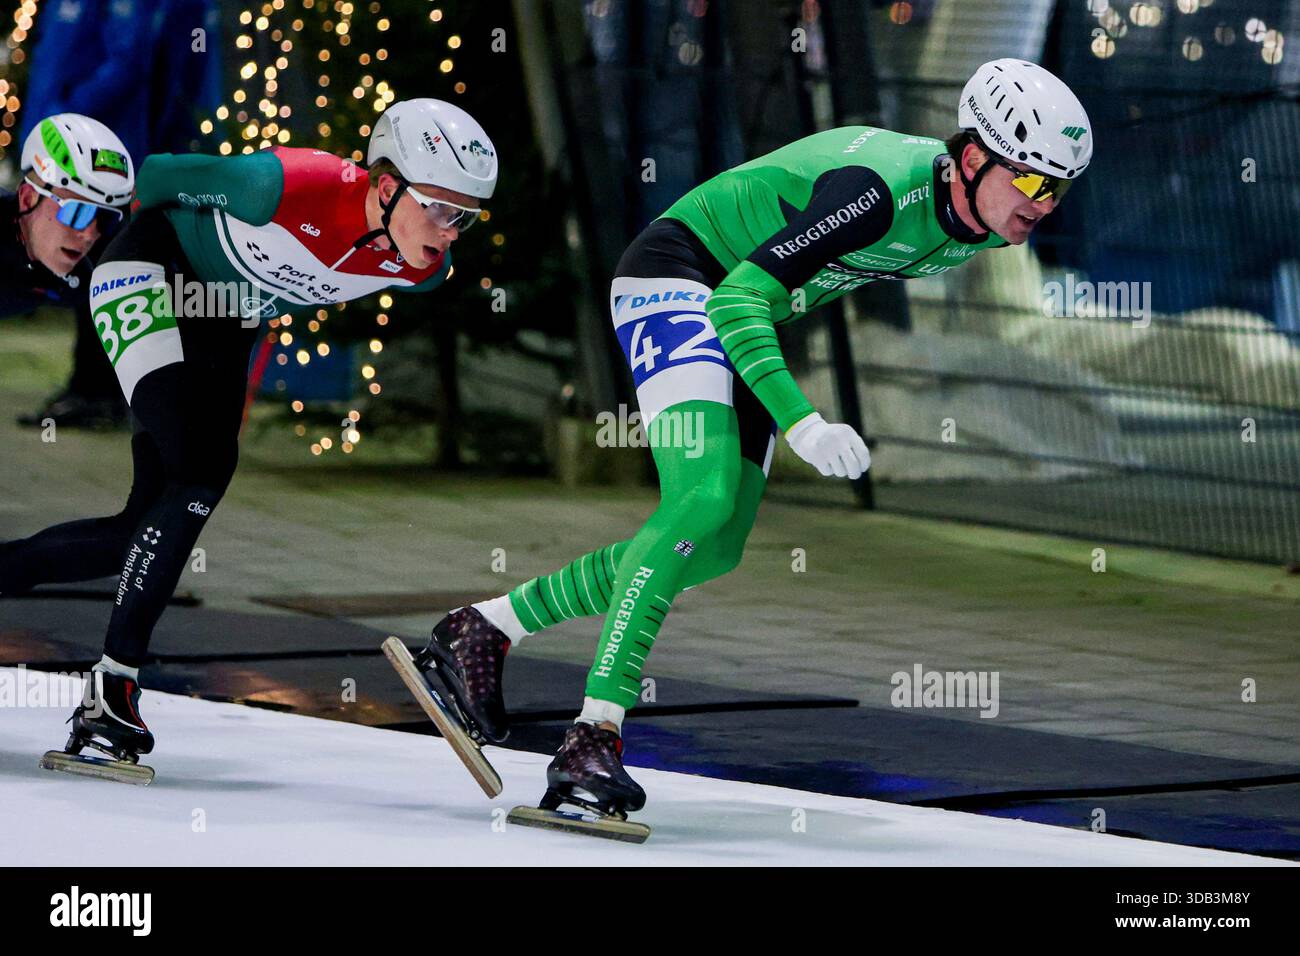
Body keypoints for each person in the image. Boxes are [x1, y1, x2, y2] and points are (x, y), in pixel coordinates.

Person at [417, 59, 1094, 821]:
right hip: (680, 276)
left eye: (1060, 187)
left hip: (740, 313)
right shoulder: (876, 194)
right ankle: (591, 735)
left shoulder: (975, 230)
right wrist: (803, 420)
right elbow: (741, 294)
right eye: (1033, 180)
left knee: (716, 543)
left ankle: (484, 628)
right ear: (972, 159)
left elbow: (767, 295)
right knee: (701, 500)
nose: (1046, 202)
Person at [2, 99, 497, 773]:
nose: (451, 231)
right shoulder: (284, 184)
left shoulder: (421, 266)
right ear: (386, 186)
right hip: (150, 269)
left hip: (228, 316)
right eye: (440, 207)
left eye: (464, 216)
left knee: (145, 525)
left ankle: (73, 650)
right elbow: (156, 176)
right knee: (197, 473)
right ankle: (112, 691)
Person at [1, 115, 133, 418]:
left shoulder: (84, 279)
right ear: (27, 197)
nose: (89, 234)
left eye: (105, 219)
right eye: (77, 212)